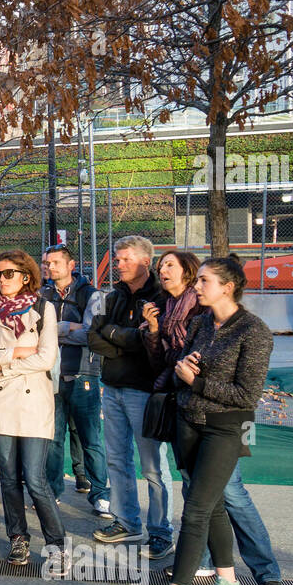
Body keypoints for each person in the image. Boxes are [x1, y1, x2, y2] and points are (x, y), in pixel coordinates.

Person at [144, 252, 290, 585]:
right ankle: (210, 567)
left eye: (203, 281)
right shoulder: (201, 323)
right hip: (189, 422)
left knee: (230, 495)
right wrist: (182, 364)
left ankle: (266, 572)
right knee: (205, 498)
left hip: (226, 426)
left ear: (228, 288)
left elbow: (246, 395)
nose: (196, 286)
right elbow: (178, 366)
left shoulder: (254, 331)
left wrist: (195, 381)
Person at [0, 251, 68, 574]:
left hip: (33, 404)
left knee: (36, 480)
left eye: (9, 273)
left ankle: (56, 545)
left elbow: (45, 359)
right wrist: (15, 352)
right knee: (9, 478)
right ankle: (18, 537)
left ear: (25, 276)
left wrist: (3, 364)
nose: (2, 279)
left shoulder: (44, 308)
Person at [87, 235, 175, 559]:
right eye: (118, 259)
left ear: (144, 262)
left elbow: (150, 341)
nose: (118, 264)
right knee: (117, 460)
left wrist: (116, 335)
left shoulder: (161, 297)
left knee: (153, 466)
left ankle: (161, 531)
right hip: (111, 388)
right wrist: (125, 336)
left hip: (144, 392)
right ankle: (127, 522)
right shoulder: (113, 297)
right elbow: (93, 338)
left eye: (125, 259)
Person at [41, 244, 111, 517]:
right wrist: (69, 328)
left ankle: (101, 495)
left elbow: (91, 335)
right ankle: (52, 491)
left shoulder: (93, 295)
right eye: (47, 263)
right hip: (50, 376)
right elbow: (35, 333)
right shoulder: (42, 294)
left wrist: (54, 330)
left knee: (91, 439)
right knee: (53, 438)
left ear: (71, 265)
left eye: (56, 262)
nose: (51, 267)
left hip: (84, 374)